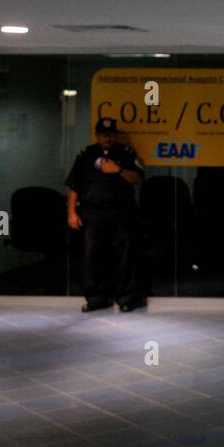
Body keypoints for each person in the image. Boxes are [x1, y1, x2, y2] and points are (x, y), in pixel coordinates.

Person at [65, 117, 147, 313]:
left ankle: (127, 298)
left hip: (121, 211)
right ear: (97, 135)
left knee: (125, 256)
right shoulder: (86, 154)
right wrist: (71, 212)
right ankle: (96, 298)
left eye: (110, 134)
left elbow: (138, 178)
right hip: (93, 213)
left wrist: (118, 169)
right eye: (103, 134)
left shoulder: (126, 153)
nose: (107, 137)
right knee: (92, 256)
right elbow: (75, 186)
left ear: (115, 135)